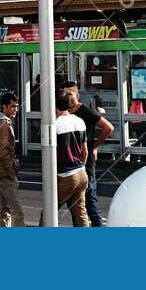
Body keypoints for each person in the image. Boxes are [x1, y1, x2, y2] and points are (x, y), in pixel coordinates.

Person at [60, 79, 113, 226]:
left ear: (77, 94)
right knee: (76, 206)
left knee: (90, 203)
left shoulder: (85, 111)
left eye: (70, 93)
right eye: (64, 94)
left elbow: (108, 128)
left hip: (86, 163)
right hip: (71, 165)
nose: (67, 97)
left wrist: (94, 146)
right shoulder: (63, 113)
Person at [50, 92, 91, 227]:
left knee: (48, 212)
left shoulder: (54, 125)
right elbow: (85, 151)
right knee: (80, 212)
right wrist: (82, 167)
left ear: (54, 107)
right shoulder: (79, 121)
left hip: (66, 175)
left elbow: (53, 155)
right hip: (81, 173)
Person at [0, 91, 24, 226]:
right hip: (5, 172)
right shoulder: (3, 124)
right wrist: (11, 171)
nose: (15, 109)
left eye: (17, 106)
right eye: (13, 106)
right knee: (17, 211)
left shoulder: (2, 122)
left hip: (1, 171)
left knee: (5, 209)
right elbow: (3, 152)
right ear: (4, 107)